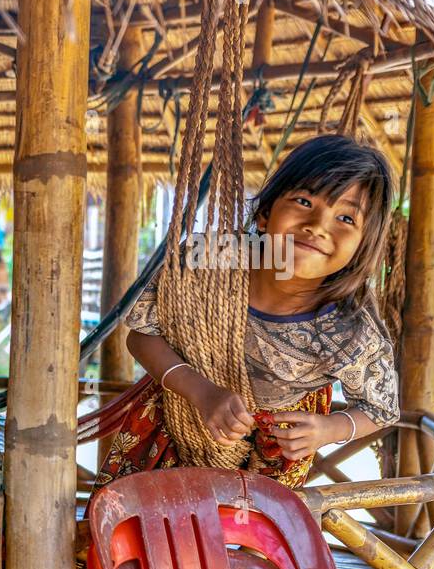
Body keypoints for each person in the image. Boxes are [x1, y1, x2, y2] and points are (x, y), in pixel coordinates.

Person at [98, 133, 398, 492]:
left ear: (363, 245)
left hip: (269, 464)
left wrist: (327, 430)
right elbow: (142, 334)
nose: (318, 224)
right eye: (304, 200)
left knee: (235, 547)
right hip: (168, 429)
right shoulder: (204, 261)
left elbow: (381, 409)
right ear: (264, 214)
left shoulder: (349, 329)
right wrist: (202, 392)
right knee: (127, 533)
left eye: (346, 218)